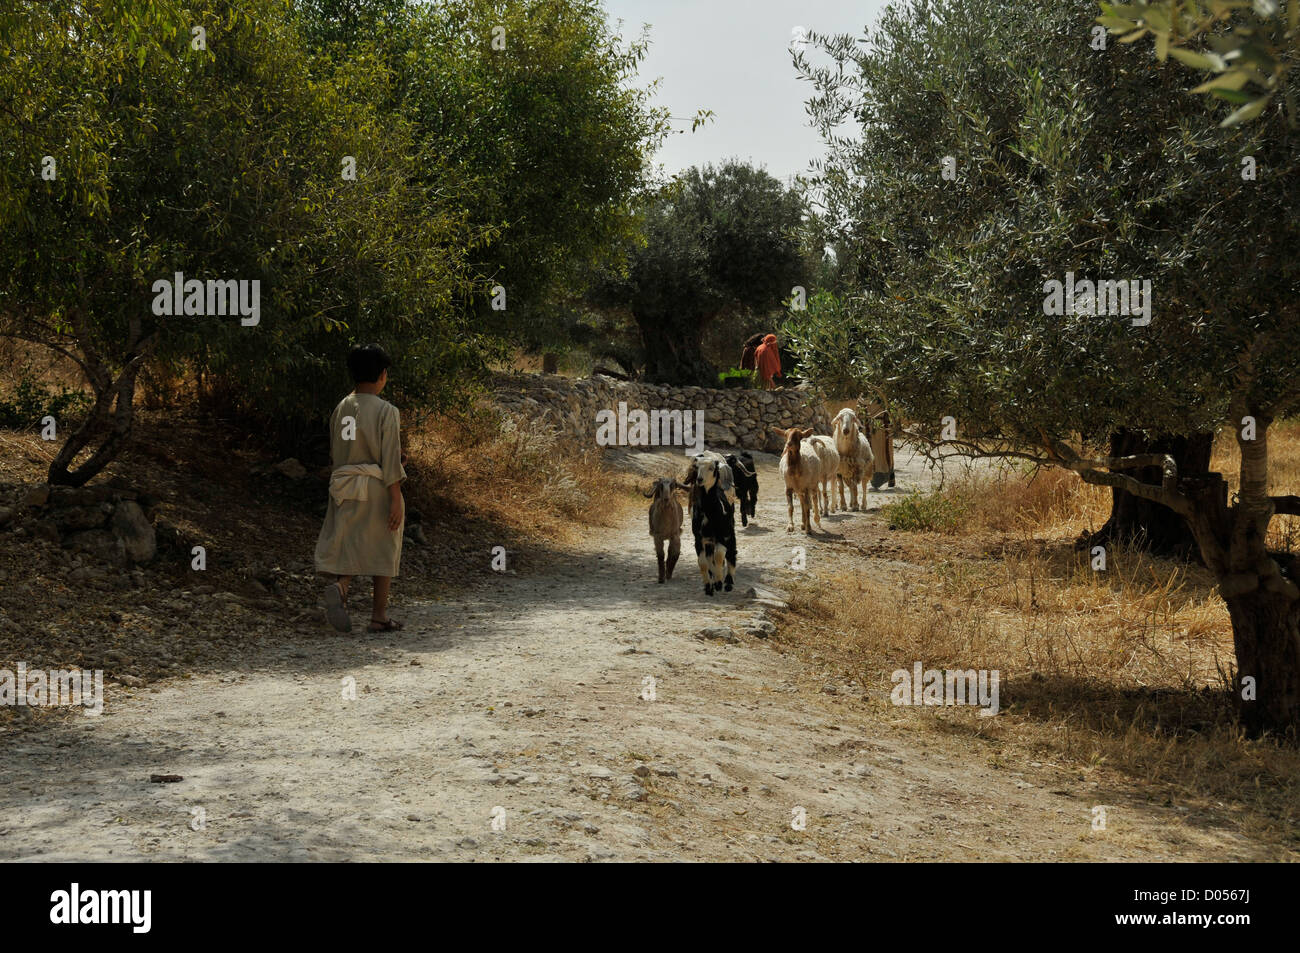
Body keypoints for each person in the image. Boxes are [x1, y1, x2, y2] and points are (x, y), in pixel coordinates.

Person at [315, 343, 407, 633]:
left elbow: (337, 450)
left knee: (351, 540)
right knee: (385, 544)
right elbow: (390, 457)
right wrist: (396, 497)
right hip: (376, 485)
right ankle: (379, 616)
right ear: (382, 375)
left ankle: (342, 587)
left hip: (343, 484)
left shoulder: (341, 407)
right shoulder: (386, 411)